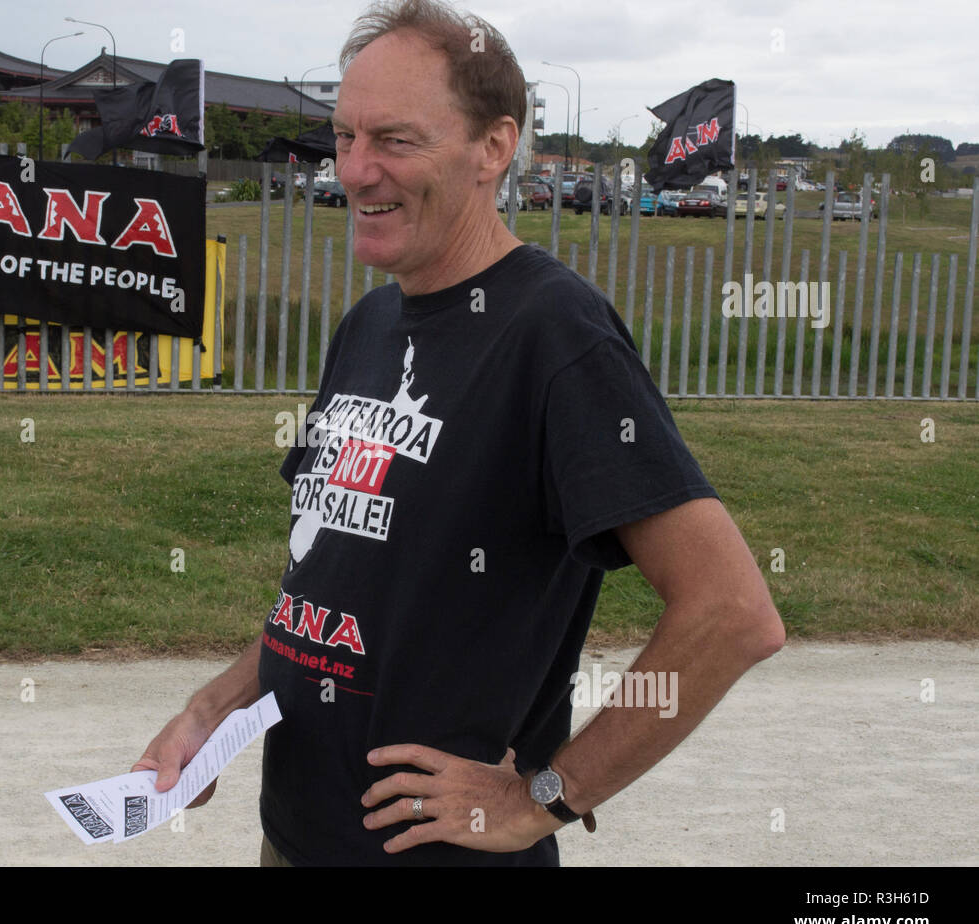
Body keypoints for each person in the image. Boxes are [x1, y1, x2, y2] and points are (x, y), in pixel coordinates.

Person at [133, 0, 784, 866]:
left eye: (396, 141)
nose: (356, 171)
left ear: (494, 147)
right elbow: (324, 593)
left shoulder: (556, 336)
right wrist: (212, 711)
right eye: (345, 136)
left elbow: (734, 613)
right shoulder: (371, 325)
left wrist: (544, 796)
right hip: (295, 839)